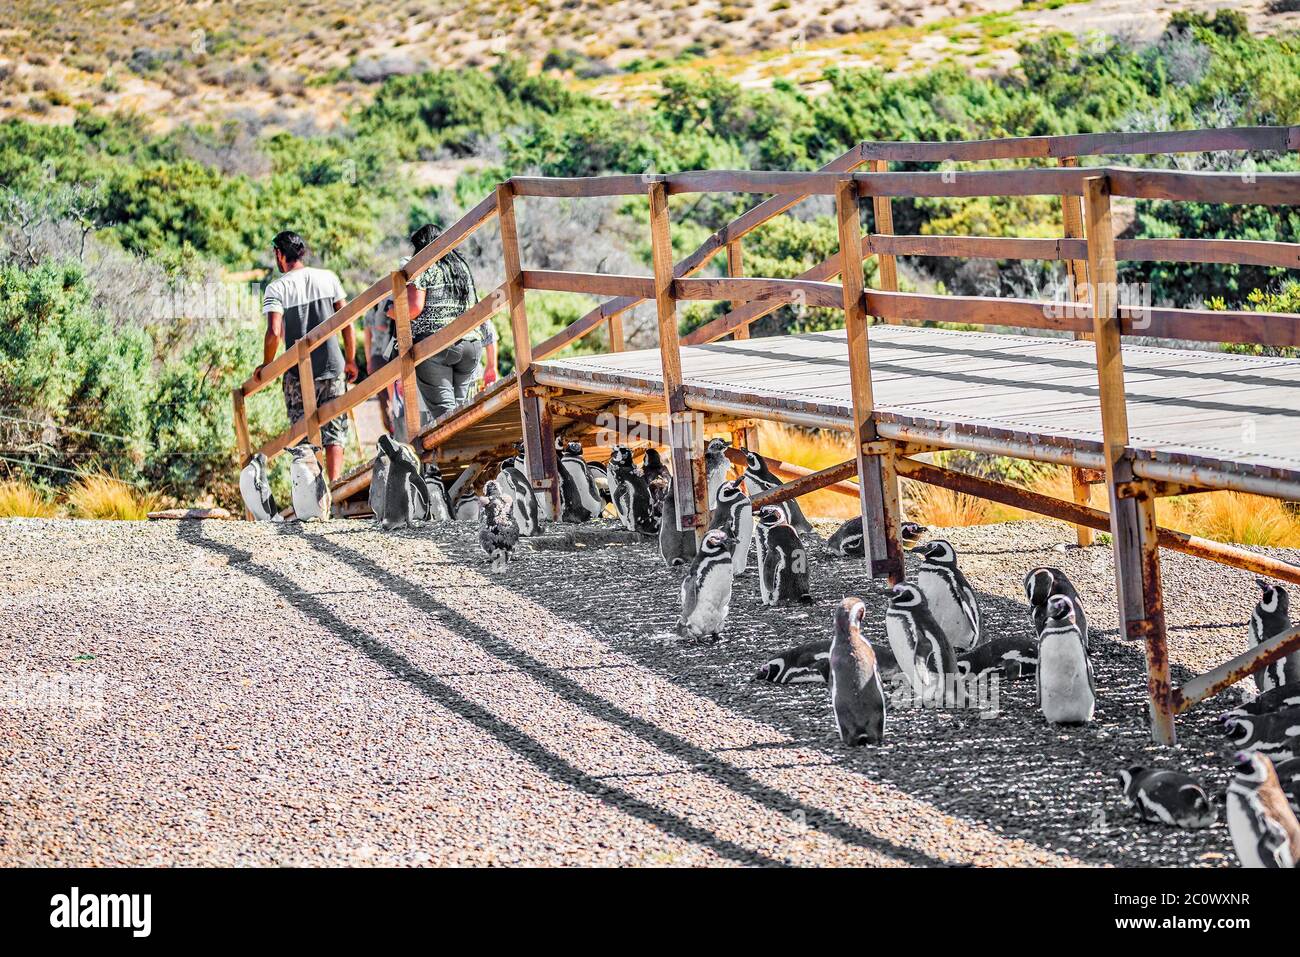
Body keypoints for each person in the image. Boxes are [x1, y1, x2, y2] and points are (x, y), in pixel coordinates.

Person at [254, 230, 357, 481]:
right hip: (332, 367)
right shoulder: (328, 278)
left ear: (279, 254)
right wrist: (351, 358)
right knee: (334, 432)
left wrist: (267, 366)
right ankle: (334, 488)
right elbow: (347, 321)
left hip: (298, 373)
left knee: (302, 433)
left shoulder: (276, 288)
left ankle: (313, 490)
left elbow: (274, 333)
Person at [389, 224, 498, 424]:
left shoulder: (422, 265)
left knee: (446, 417)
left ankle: (456, 454)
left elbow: (413, 308)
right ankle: (463, 451)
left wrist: (392, 311)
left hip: (436, 346)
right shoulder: (460, 266)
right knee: (459, 410)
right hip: (471, 344)